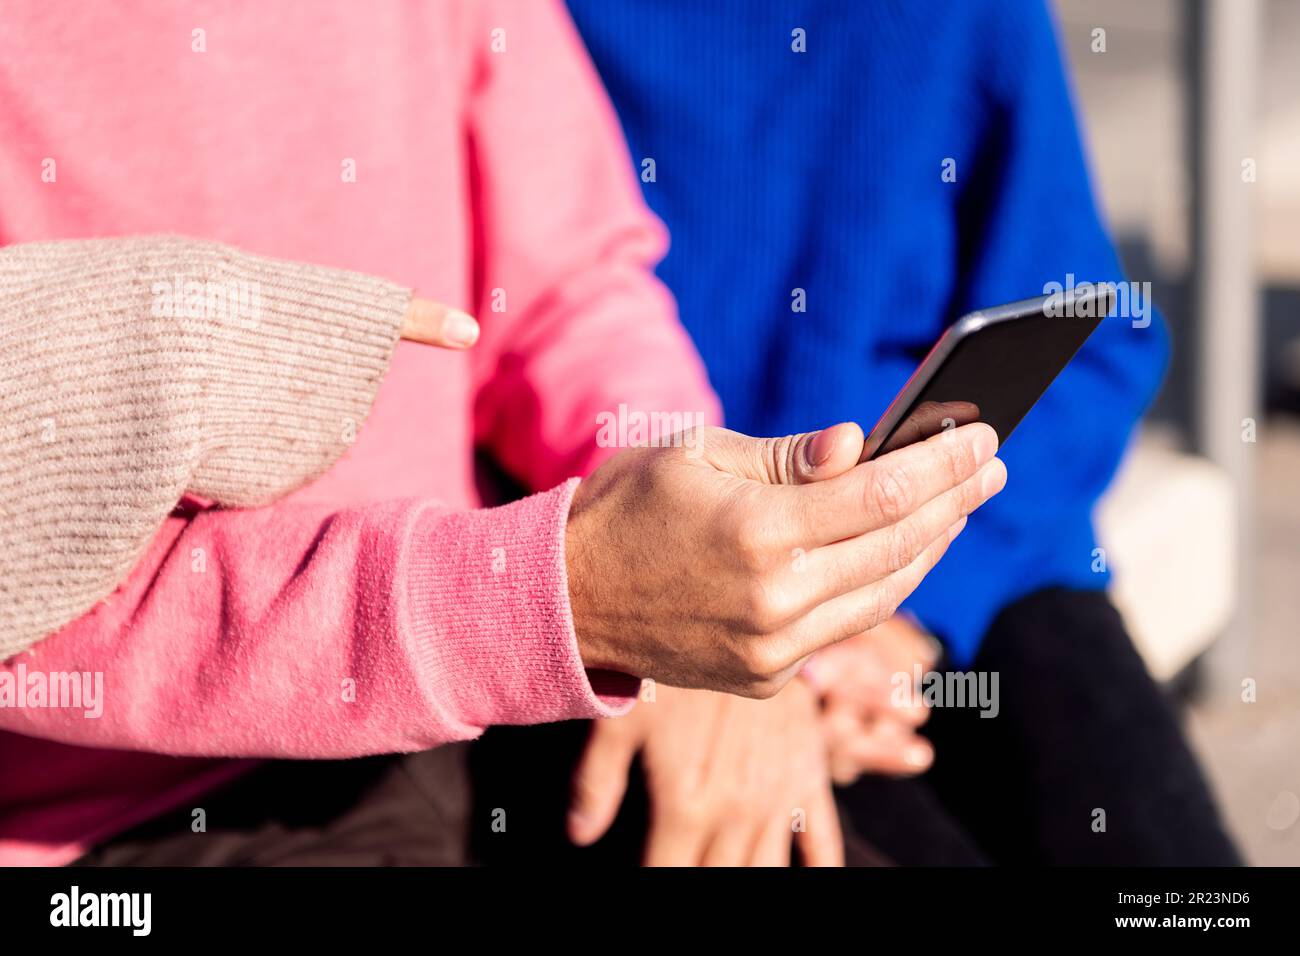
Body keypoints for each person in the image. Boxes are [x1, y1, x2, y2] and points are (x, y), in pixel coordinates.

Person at [0, 1, 1003, 865]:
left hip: (499, 668)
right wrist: (562, 602)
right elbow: (30, 573)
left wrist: (687, 542)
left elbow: (568, 290)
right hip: (118, 813)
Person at [465, 0, 1241, 866]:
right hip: (650, 566)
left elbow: (1084, 339)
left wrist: (899, 613)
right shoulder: (517, 27)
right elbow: (517, 347)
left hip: (960, 563)